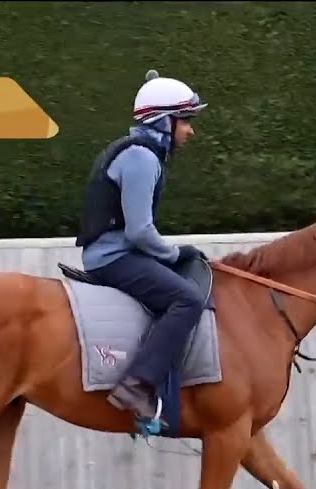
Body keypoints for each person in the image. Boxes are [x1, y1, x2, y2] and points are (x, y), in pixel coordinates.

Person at [75, 69, 210, 423]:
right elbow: (139, 231)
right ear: (165, 122)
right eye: (185, 121)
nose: (190, 130)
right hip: (114, 257)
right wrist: (175, 253)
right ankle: (137, 386)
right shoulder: (142, 158)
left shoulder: (139, 152)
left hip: (116, 252)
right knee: (188, 299)